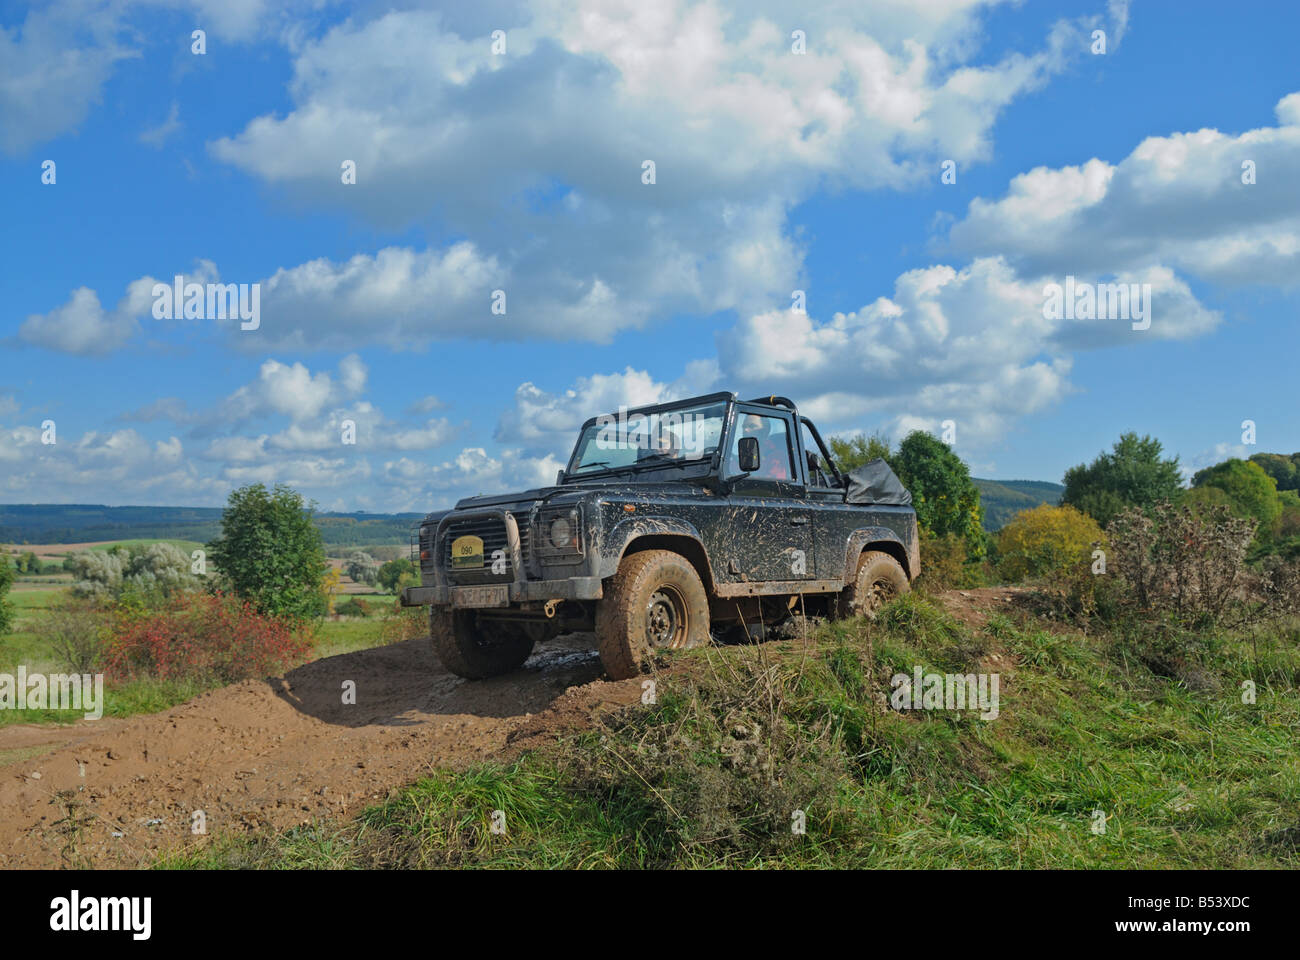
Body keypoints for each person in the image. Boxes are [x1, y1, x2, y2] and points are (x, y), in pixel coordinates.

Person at [738, 414, 789, 481]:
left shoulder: (776, 456)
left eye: (752, 426)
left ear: (765, 431)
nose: (746, 430)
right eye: (744, 427)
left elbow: (774, 484)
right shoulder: (740, 455)